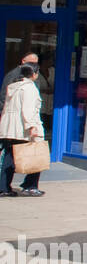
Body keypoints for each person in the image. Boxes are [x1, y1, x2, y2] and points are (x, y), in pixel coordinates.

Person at [1, 64, 45, 196]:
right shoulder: (29, 88)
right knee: (36, 155)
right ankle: (30, 185)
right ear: (34, 74)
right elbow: (28, 110)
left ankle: (3, 187)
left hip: (10, 127)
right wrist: (32, 127)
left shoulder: (13, 86)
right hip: (22, 128)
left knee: (9, 158)